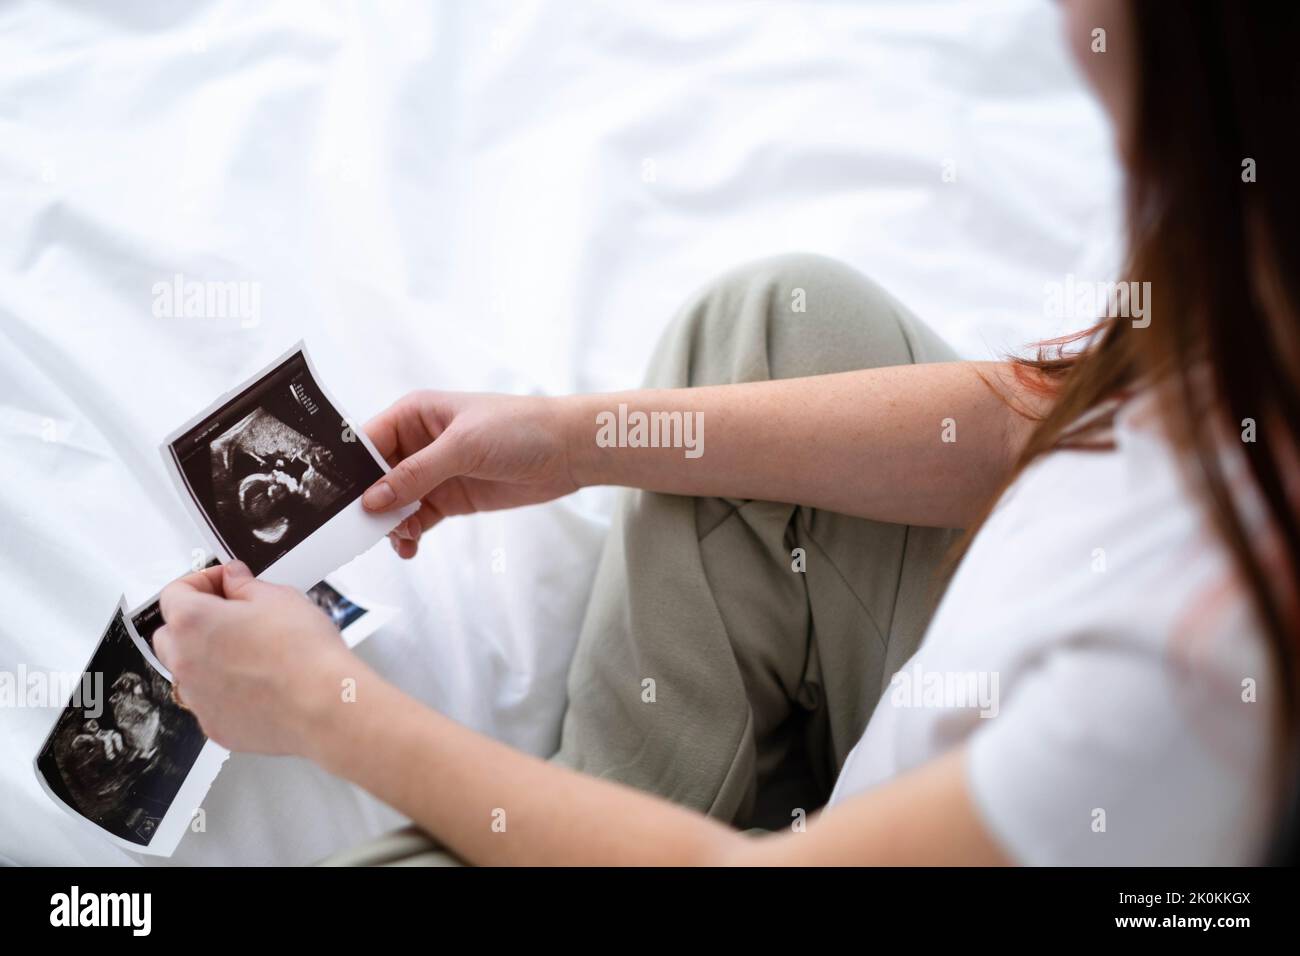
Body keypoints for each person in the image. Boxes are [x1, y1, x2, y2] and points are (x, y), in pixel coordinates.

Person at [153, 0, 1299, 865]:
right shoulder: (1258, 281)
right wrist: (572, 437)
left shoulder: (1188, 672)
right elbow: (1053, 419)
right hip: (956, 738)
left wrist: (324, 707)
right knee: (769, 321)